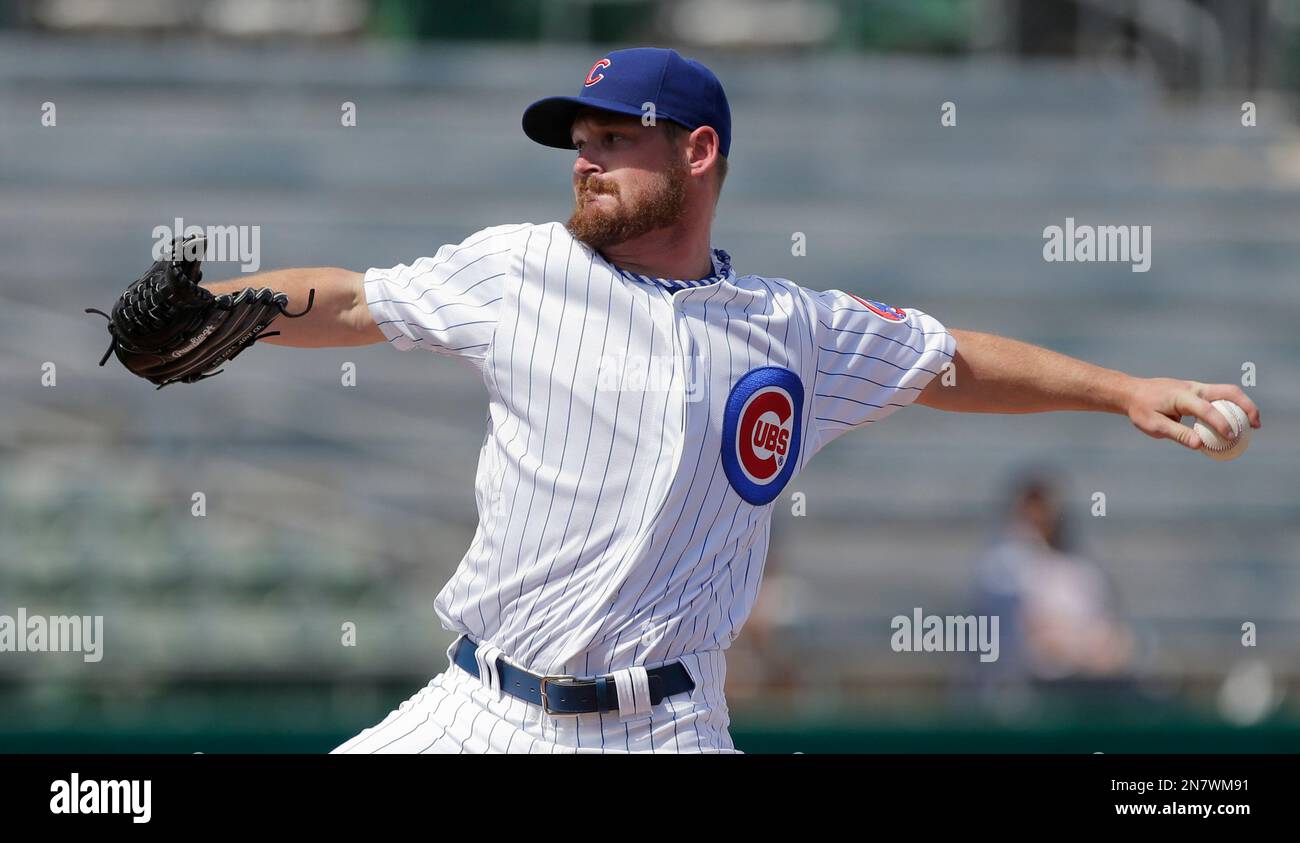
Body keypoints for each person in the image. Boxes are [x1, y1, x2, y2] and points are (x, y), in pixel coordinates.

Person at [185, 47, 1258, 752]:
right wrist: (209, 308)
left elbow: (949, 363)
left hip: (665, 727)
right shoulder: (518, 271)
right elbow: (357, 302)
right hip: (479, 708)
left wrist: (1123, 390)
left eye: (614, 138)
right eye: (579, 142)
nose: (584, 161)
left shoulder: (787, 325)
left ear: (697, 152)